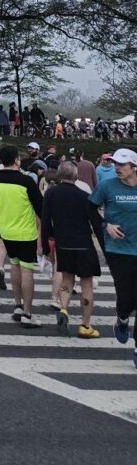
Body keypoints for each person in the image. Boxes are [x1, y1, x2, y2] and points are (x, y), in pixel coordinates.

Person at [41, 162, 105, 338]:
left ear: (59, 176)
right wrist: (106, 249)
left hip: (63, 244)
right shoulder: (85, 196)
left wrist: (46, 246)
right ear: (76, 177)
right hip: (83, 243)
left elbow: (45, 220)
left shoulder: (51, 194)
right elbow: (97, 224)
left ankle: (64, 310)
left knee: (67, 281)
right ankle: (85, 325)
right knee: (86, 284)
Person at [89, 147, 137, 360]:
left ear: (134, 167)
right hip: (118, 249)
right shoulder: (107, 186)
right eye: (115, 163)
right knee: (126, 296)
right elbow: (90, 208)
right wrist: (105, 225)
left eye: (122, 165)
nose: (117, 168)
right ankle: (122, 317)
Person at [0, 147, 44, 328]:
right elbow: (40, 207)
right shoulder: (26, 181)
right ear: (17, 160)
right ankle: (28, 313)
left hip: (5, 230)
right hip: (26, 232)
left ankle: (18, 305)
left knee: (14, 265)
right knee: (27, 270)